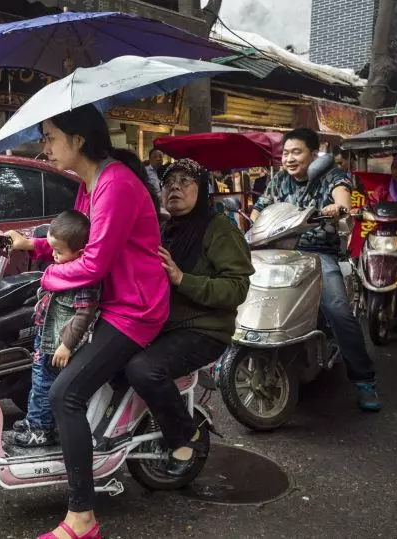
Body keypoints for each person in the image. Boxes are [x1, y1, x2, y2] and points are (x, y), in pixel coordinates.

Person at [4, 104, 169, 539]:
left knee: (65, 393)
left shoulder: (114, 184)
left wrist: (46, 275)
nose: (45, 147)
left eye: (50, 137)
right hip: (108, 303)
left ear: (78, 140)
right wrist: (34, 244)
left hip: (135, 310)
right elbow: (78, 243)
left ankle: (82, 519)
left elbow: (92, 264)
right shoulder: (89, 185)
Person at [125, 158, 253, 477]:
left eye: (185, 181)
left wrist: (182, 278)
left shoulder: (219, 228)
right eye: (169, 182)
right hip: (160, 324)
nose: (175, 188)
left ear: (203, 188)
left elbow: (236, 288)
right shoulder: (163, 227)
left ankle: (185, 435)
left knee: (144, 369)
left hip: (204, 331)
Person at [252, 127, 380, 411]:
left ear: (313, 153)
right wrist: (254, 223)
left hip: (318, 254)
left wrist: (338, 208)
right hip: (278, 251)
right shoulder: (279, 182)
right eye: (285, 153)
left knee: (337, 309)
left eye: (296, 152)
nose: (289, 158)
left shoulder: (331, 176)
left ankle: (364, 380)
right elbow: (259, 209)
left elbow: (343, 198)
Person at [11, 210, 100, 448]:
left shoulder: (83, 279)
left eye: (58, 252)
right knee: (38, 380)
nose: (53, 255)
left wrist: (66, 345)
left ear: (80, 253)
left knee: (43, 385)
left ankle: (40, 429)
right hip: (47, 338)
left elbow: (84, 314)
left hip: (58, 345)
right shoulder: (66, 270)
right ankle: (36, 420)